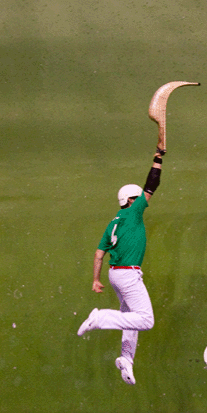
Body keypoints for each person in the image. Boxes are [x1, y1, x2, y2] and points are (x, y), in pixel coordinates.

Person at [77, 149, 166, 385]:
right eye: (138, 198)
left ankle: (126, 359)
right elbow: (152, 184)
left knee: (130, 318)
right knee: (145, 320)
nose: (142, 202)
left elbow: (99, 254)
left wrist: (96, 279)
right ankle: (101, 318)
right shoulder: (133, 213)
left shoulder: (113, 223)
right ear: (130, 201)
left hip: (114, 274)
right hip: (127, 274)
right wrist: (158, 157)